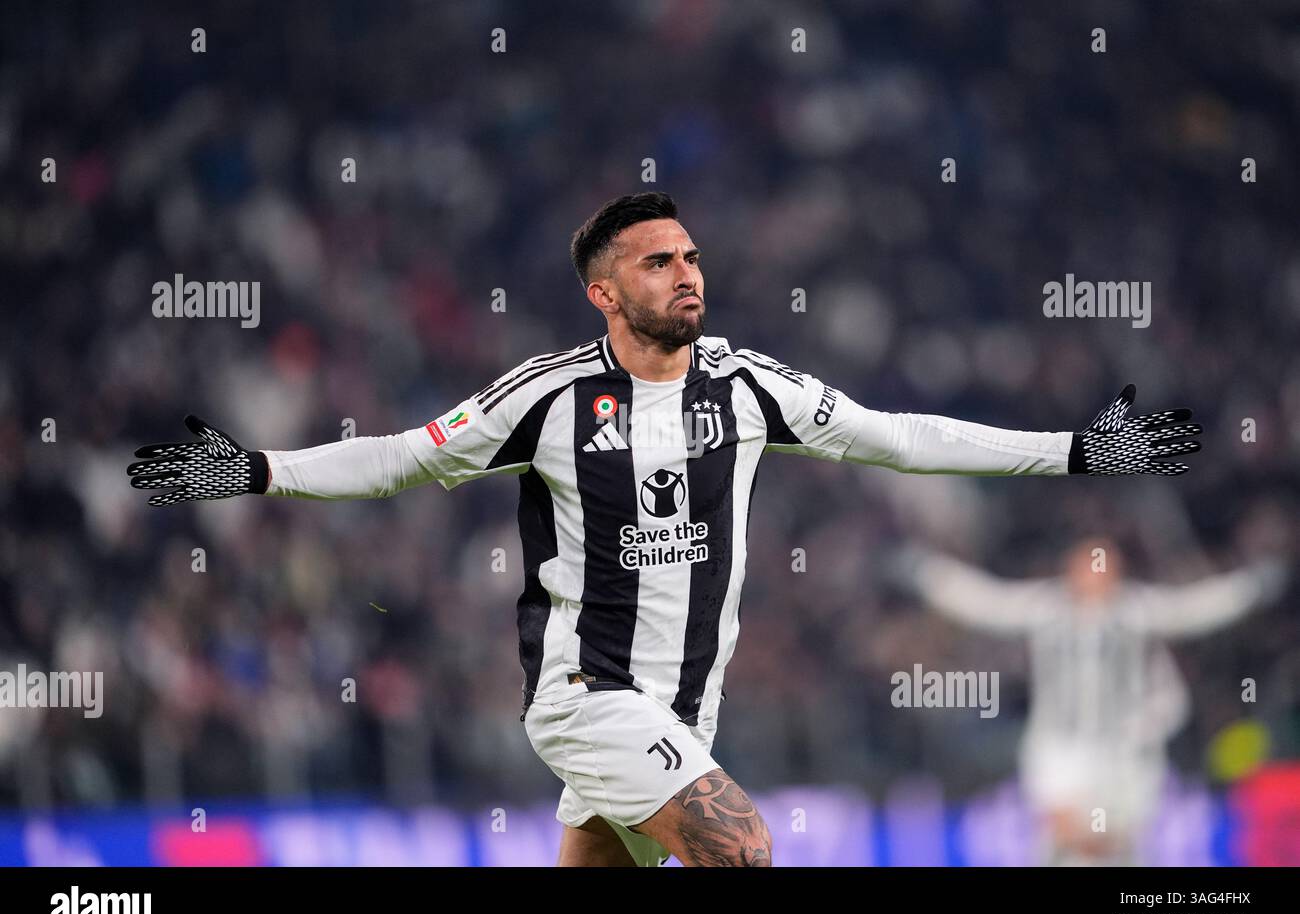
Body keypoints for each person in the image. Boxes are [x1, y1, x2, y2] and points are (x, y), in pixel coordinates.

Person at [128, 191, 1203, 866]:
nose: (686, 272)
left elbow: (898, 437)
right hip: (590, 701)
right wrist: (257, 468)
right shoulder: (545, 398)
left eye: (689, 255)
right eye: (657, 261)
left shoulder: (745, 385)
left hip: (686, 710)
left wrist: (1074, 449)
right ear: (604, 290)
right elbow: (403, 455)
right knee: (743, 848)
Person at [894, 539, 1286, 864]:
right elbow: (985, 601)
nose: (1096, 574)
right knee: (1066, 839)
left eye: (1104, 566)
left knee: (1118, 849)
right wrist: (926, 573)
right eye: (1087, 565)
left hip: (1125, 754)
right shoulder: (1048, 608)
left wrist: (1252, 587)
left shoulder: (1136, 610)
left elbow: (1196, 607)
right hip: (1060, 746)